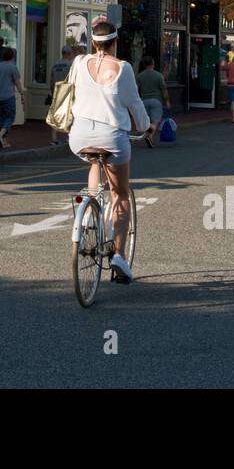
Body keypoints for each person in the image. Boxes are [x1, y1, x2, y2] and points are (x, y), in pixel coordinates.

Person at [68, 20, 154, 284]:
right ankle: (119, 255)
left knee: (95, 161)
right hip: (112, 136)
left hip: (79, 135)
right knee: (120, 194)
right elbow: (135, 104)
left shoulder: (79, 63)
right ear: (116, 42)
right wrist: (146, 126)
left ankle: (88, 213)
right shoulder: (123, 68)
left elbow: (70, 92)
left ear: (93, 42)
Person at [0, 46, 24, 149]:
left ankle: (3, 141)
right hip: (8, 96)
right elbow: (17, 83)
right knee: (10, 117)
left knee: (2, 118)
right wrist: (22, 94)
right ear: (12, 56)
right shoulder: (12, 67)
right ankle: (1, 135)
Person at [136, 55, 169, 146]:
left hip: (144, 101)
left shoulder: (140, 76)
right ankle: (150, 136)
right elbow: (164, 89)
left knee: (147, 122)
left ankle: (148, 135)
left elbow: (136, 89)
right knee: (155, 122)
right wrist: (167, 101)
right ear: (153, 63)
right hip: (156, 101)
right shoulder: (158, 76)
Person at [48, 44, 77, 146]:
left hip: (56, 92)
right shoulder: (70, 65)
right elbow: (73, 80)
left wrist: (52, 93)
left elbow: (51, 81)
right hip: (67, 92)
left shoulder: (55, 65)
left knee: (55, 116)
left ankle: (54, 138)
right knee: (69, 115)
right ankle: (68, 137)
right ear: (69, 54)